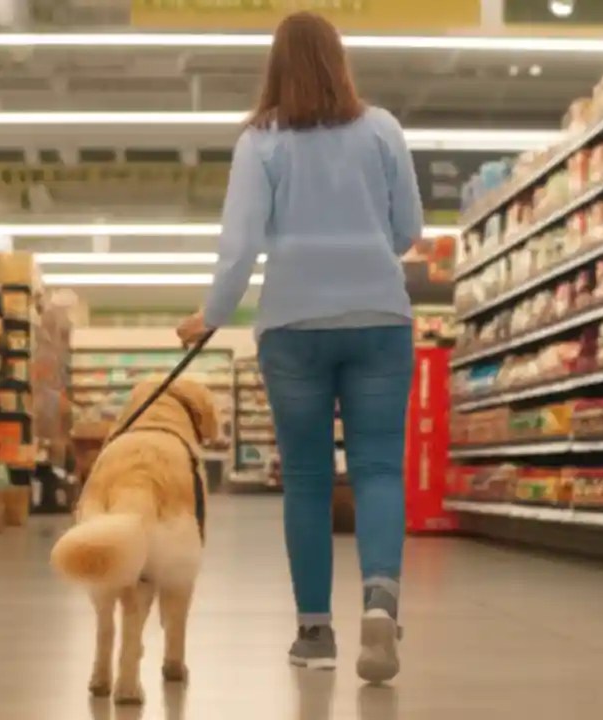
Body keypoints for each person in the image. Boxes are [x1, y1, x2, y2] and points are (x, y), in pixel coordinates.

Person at [176, 10, 422, 684]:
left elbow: (239, 247)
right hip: (379, 316)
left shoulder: (261, 141)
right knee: (377, 470)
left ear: (276, 67)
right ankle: (380, 598)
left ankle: (314, 634)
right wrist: (364, 253)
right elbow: (409, 229)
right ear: (340, 61)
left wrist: (212, 316)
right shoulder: (383, 129)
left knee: (308, 482)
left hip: (291, 327)